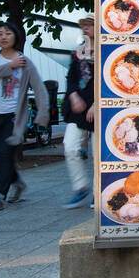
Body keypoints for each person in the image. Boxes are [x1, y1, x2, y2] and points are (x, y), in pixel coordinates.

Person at [0, 22, 49, 212]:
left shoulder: (25, 63)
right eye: (0, 33)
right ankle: (17, 182)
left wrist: (42, 115)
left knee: (4, 153)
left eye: (8, 33)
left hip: (14, 117)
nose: (3, 37)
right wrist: (10, 66)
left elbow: (39, 89)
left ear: (15, 37)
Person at [62, 16, 96, 209]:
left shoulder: (109, 50)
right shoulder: (77, 53)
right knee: (70, 147)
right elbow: (70, 78)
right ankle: (80, 187)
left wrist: (98, 103)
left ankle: (98, 191)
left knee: (97, 153)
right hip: (78, 109)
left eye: (89, 24)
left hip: (100, 107)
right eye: (83, 25)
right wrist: (73, 95)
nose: (85, 28)